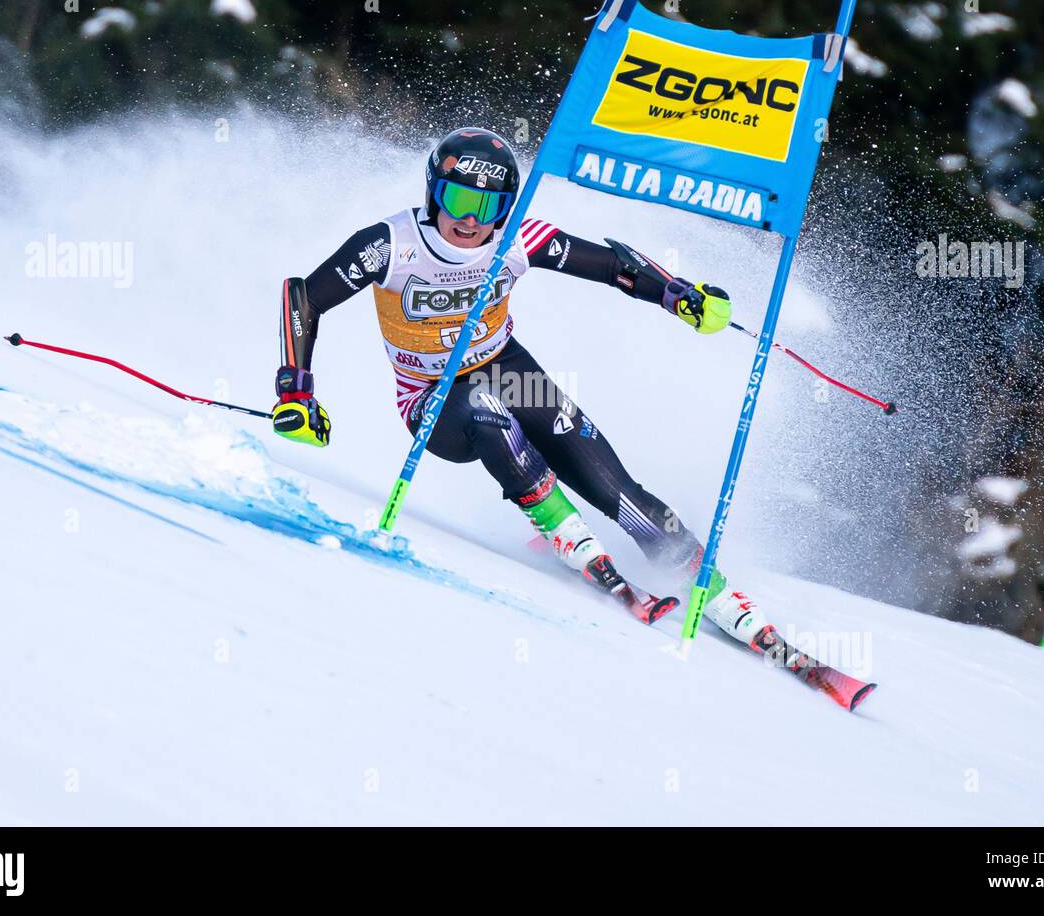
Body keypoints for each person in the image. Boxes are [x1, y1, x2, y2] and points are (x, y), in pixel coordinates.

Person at [272, 127, 768, 643]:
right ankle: (564, 531)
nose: (471, 220)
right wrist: (296, 392)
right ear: (433, 193)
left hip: (507, 369)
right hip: (432, 399)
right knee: (486, 407)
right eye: (459, 200)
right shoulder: (390, 245)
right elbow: (304, 297)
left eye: (488, 207)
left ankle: (714, 590)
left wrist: (677, 295)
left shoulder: (517, 238)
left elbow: (613, 268)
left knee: (613, 485)